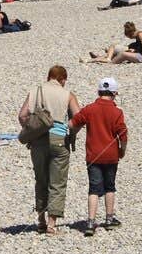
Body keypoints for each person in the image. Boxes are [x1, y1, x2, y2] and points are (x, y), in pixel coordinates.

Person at [16, 65, 80, 235]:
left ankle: (41, 220)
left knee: (41, 179)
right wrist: (70, 131)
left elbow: (22, 115)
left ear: (49, 76)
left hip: (38, 141)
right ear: (63, 79)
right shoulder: (67, 94)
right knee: (57, 182)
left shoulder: (35, 91)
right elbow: (78, 117)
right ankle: (52, 224)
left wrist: (32, 129)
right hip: (59, 141)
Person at [68, 77, 129, 236]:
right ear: (114, 93)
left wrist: (70, 135)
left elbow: (73, 124)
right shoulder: (117, 112)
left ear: (98, 92)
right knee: (110, 186)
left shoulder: (90, 109)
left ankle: (90, 221)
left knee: (94, 189)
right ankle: (109, 219)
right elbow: (122, 133)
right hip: (111, 155)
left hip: (93, 155)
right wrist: (122, 150)